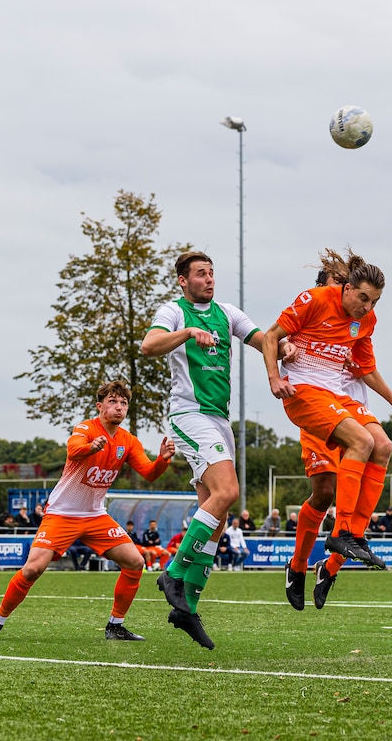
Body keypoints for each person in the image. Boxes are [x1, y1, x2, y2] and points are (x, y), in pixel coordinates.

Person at [141, 250, 287, 650]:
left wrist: (286, 349)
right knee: (228, 492)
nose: (209, 279)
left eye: (211, 273)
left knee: (217, 517)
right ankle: (173, 573)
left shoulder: (227, 313)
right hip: (189, 414)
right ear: (183, 280)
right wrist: (188, 332)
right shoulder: (173, 312)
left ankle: (186, 608)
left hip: (219, 420)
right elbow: (149, 345)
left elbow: (265, 341)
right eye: (201, 274)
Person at [0, 381, 175, 643]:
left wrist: (163, 459)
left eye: (123, 403)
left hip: (95, 516)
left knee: (135, 562)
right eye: (113, 401)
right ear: (100, 406)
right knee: (32, 569)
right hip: (62, 514)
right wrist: (90, 447)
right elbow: (73, 449)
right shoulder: (86, 428)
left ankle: (115, 626)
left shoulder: (128, 441)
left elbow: (149, 473)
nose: (119, 407)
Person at [263, 250, 392, 581]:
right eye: (363, 298)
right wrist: (275, 377)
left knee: (383, 445)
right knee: (332, 480)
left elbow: (366, 367)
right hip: (305, 392)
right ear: (346, 288)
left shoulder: (366, 321)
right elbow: (271, 336)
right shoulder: (314, 300)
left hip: (339, 398)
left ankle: (352, 536)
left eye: (374, 302)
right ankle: (326, 544)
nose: (367, 307)